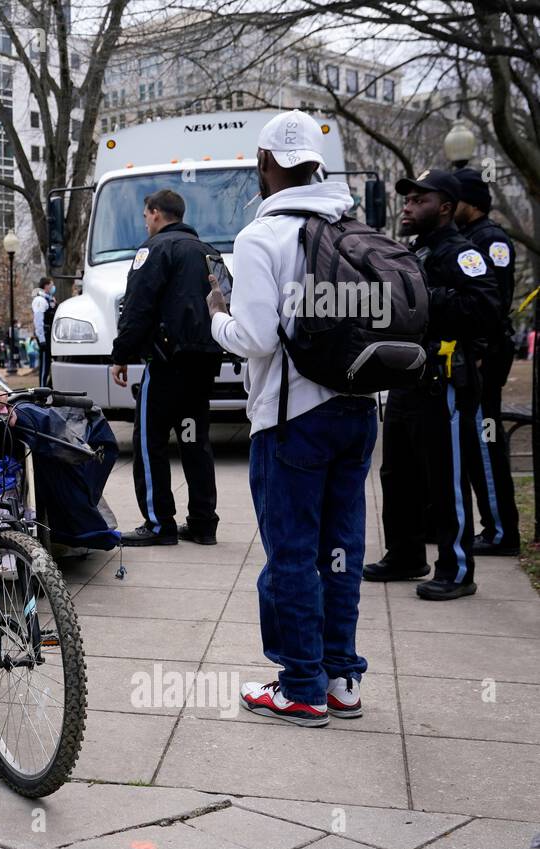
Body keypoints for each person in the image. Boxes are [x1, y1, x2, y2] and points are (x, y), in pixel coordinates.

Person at [206, 110, 376, 727]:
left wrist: (215, 315)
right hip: (359, 410)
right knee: (341, 549)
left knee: (292, 552)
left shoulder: (261, 238)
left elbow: (254, 338)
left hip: (292, 417)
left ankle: (300, 685)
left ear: (266, 164)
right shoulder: (353, 226)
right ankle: (340, 679)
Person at [363, 170, 500, 601]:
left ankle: (456, 568)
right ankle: (405, 555)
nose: (407, 206)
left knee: (446, 477)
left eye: (418, 200)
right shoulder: (416, 251)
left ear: (444, 207)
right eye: (406, 200)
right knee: (397, 473)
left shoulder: (461, 253)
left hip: (445, 380)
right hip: (408, 379)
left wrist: (421, 295)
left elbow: (487, 309)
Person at [111, 188, 224, 547]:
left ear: (157, 213)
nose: (145, 221)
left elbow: (138, 305)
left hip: (166, 364)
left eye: (146, 215)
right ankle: (203, 523)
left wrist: (121, 354)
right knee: (194, 440)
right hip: (203, 364)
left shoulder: (155, 250)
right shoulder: (210, 253)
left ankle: (160, 524)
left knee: (150, 443)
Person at [455, 166, 520, 557]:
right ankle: (492, 527)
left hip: (485, 358)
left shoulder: (491, 241)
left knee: (486, 442)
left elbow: (492, 305)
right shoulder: (470, 238)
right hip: (476, 354)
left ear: (472, 203)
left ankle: (499, 531)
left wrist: (478, 351)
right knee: (478, 444)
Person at [31, 277, 55, 386]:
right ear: (46, 285)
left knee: (48, 363)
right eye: (51, 285)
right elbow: (38, 320)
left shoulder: (47, 299)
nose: (53, 287)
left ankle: (47, 386)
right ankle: (42, 389)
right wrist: (41, 339)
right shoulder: (40, 300)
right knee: (44, 364)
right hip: (44, 334)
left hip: (49, 334)